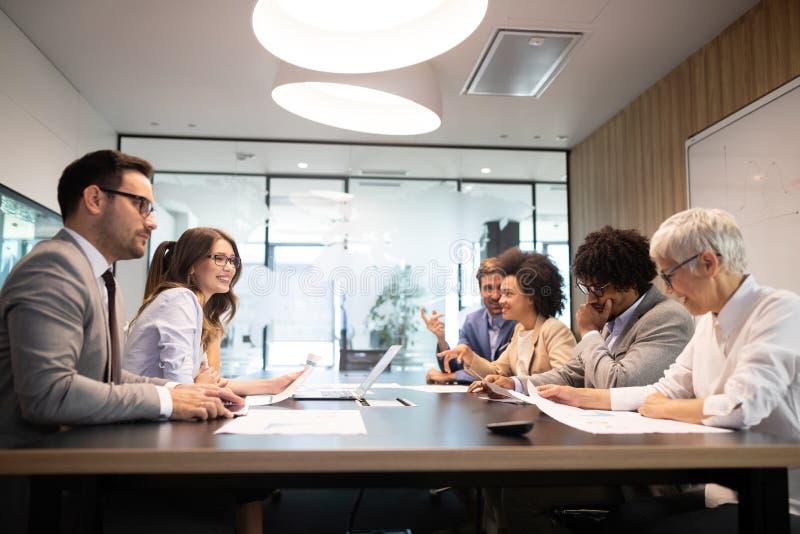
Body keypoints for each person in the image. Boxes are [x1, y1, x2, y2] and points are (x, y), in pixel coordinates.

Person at [538, 208, 800, 532]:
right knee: (626, 518)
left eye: (669, 275)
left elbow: (741, 405)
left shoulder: (780, 311)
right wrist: (584, 397)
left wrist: (666, 407)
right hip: (722, 490)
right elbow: (663, 390)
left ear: (708, 263)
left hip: (780, 499)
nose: (669, 289)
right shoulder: (708, 323)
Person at [0, 150, 242, 450]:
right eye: (141, 205)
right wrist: (168, 399)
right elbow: (49, 394)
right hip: (37, 473)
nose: (152, 223)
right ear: (95, 199)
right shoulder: (53, 265)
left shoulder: (101, 277)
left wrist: (180, 390)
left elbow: (108, 377)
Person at [479, 226, 694, 394]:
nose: (590, 299)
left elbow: (619, 385)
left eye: (598, 289)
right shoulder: (613, 317)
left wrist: (590, 332)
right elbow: (572, 374)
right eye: (587, 288)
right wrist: (515, 384)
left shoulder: (666, 317)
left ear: (629, 283)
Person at [124, 227, 301, 396]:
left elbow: (210, 382)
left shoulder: (194, 306)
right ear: (191, 265)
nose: (230, 267)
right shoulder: (180, 299)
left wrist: (273, 385)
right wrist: (200, 385)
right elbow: (184, 388)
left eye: (232, 260)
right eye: (219, 258)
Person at [440, 248, 575, 381]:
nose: (501, 299)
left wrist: (516, 384)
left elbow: (566, 378)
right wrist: (470, 356)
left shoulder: (554, 330)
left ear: (531, 298)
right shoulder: (520, 330)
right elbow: (497, 371)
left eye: (508, 293)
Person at [422, 257, 516, 384]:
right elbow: (456, 366)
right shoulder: (472, 321)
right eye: (488, 288)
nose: (495, 295)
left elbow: (507, 374)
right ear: (480, 291)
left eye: (500, 288)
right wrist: (441, 339)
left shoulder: (519, 323)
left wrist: (451, 377)